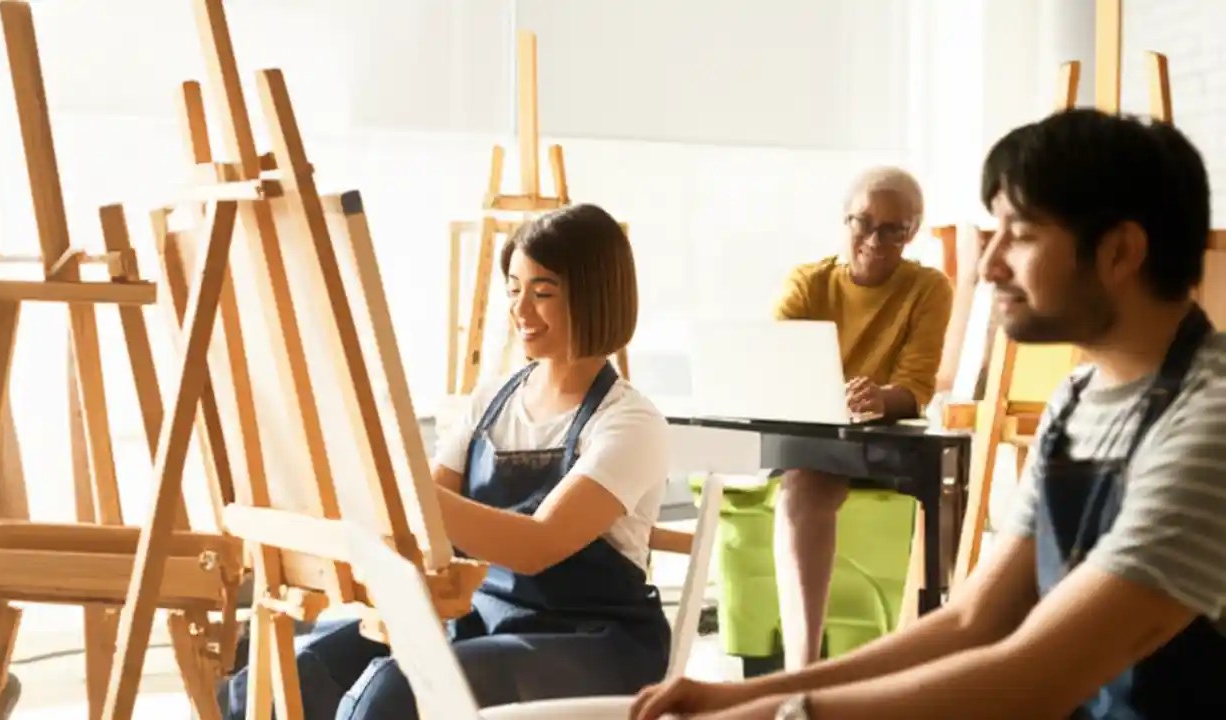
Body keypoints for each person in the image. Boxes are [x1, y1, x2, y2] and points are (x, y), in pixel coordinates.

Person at [630, 108, 1226, 720]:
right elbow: (972, 622)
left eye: (1018, 234)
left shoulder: (1213, 418)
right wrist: (752, 691)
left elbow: (1033, 677)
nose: (990, 265)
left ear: (1120, 251)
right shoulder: (1076, 401)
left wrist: (784, 714)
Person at [219, 204, 673, 719]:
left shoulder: (630, 423)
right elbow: (428, 518)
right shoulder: (492, 401)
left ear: (594, 298)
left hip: (591, 644)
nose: (521, 311)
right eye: (513, 289)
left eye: (542, 293)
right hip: (482, 618)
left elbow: (537, 545)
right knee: (299, 672)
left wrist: (408, 495)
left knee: (396, 688)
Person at [770, 166, 953, 670]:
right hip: (811, 435)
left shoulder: (929, 289)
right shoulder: (807, 283)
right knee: (805, 480)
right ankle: (801, 671)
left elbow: (915, 387)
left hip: (883, 438)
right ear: (844, 220)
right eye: (864, 223)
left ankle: (924, 656)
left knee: (811, 480)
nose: (874, 239)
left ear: (912, 232)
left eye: (893, 229)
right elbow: (776, 363)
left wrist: (881, 398)